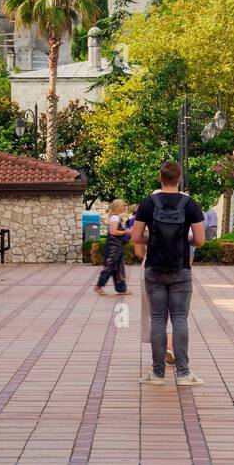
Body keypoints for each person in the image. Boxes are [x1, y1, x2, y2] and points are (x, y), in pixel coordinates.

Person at [131, 161, 206, 386]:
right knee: (180, 319)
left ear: (159, 177)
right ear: (180, 178)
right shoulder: (190, 204)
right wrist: (185, 240)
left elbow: (136, 237)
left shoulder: (148, 203)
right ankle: (183, 374)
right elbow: (200, 241)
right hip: (181, 268)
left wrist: (151, 239)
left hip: (154, 268)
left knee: (157, 319)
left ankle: (157, 373)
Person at [94, 199, 130, 296]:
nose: (124, 207)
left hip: (117, 246)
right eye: (122, 205)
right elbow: (113, 232)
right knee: (110, 267)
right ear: (118, 207)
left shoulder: (117, 217)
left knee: (118, 267)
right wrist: (126, 232)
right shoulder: (114, 218)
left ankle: (122, 289)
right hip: (113, 248)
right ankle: (98, 286)